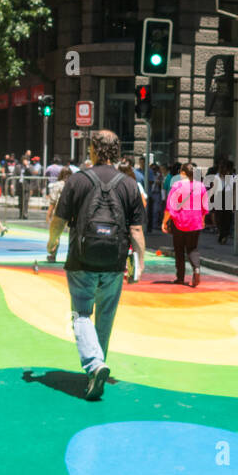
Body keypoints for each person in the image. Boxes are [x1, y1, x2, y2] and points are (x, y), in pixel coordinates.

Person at [53, 130, 146, 400]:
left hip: (81, 260)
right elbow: (137, 230)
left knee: (81, 314)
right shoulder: (129, 185)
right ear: (116, 152)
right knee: (106, 316)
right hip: (114, 262)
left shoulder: (77, 180)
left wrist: (52, 242)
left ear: (93, 150)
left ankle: (94, 365)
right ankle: (98, 365)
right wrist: (139, 263)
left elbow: (59, 220)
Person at [163, 162, 208, 286]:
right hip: (195, 222)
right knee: (192, 248)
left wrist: (164, 222)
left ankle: (180, 277)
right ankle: (197, 268)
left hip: (179, 222)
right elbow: (205, 207)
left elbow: (169, 206)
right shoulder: (201, 186)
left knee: (179, 250)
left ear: (183, 173)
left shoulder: (177, 185)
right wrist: (202, 220)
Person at [117, 159, 147, 280]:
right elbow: (143, 202)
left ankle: (125, 268)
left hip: (120, 218)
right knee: (134, 245)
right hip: (133, 218)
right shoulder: (136, 184)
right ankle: (134, 269)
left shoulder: (116, 184)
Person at [45, 167, 72, 261]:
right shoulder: (73, 184)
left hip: (59, 212)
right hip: (72, 212)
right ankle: (71, 256)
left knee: (55, 234)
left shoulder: (57, 185)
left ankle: (52, 254)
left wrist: (48, 214)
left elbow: (53, 200)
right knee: (72, 234)